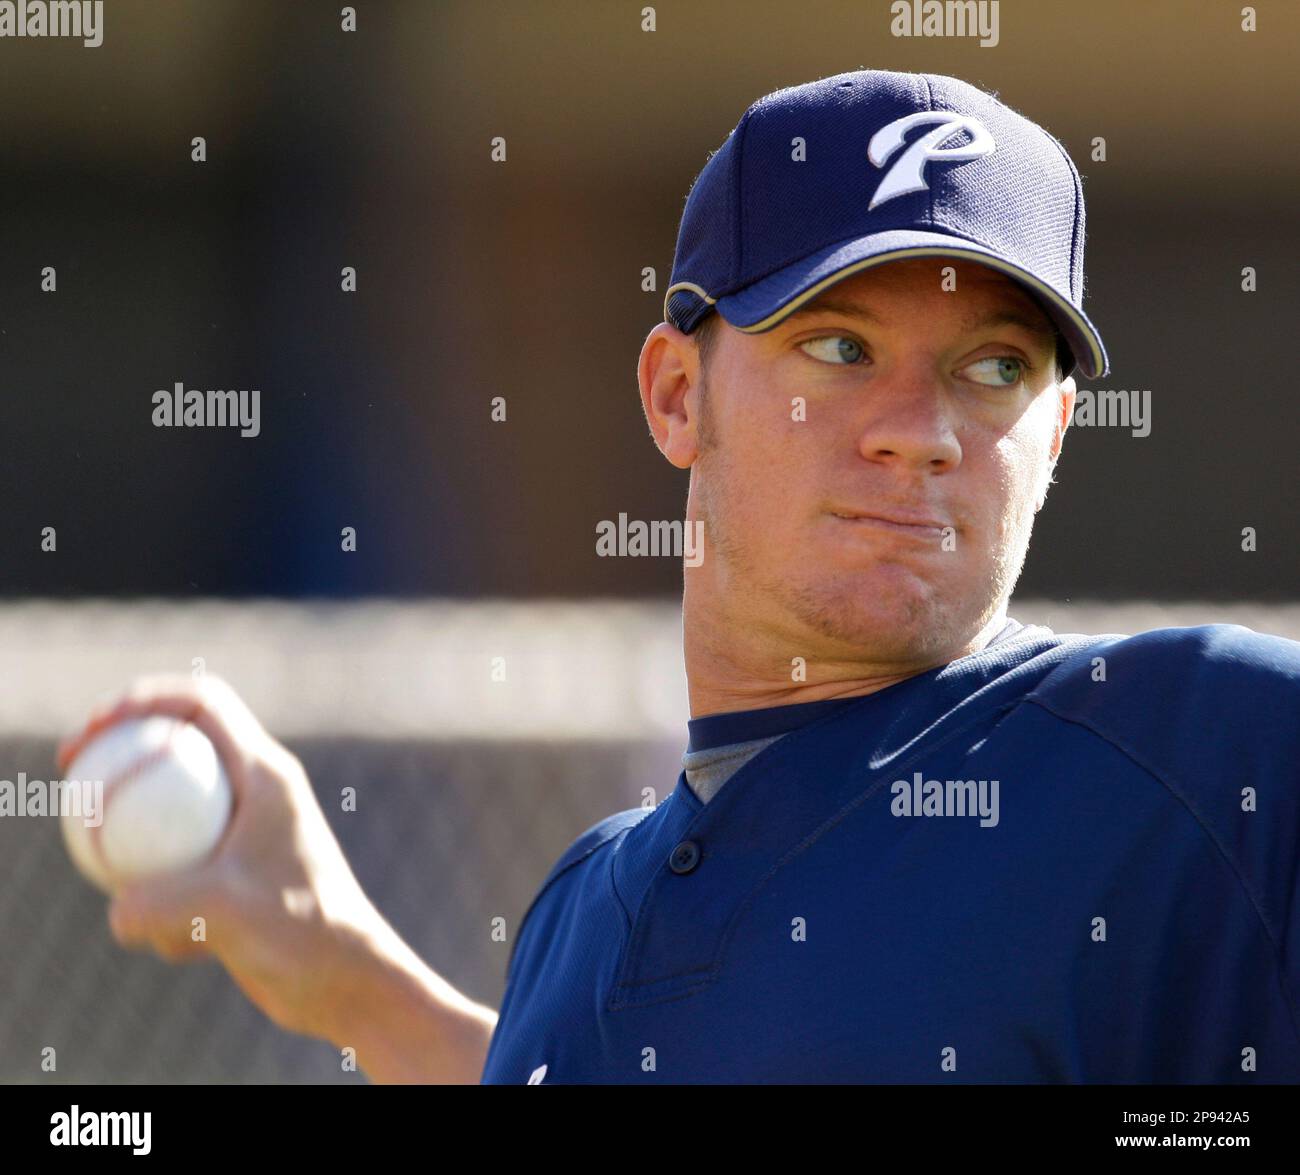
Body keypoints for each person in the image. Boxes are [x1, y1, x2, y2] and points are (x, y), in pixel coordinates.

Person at [57, 69, 1300, 1084]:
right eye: (838, 342)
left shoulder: (1205, 753)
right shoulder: (582, 913)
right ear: (673, 394)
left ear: (1058, 433)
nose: (919, 425)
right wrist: (349, 977)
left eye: (993, 368)